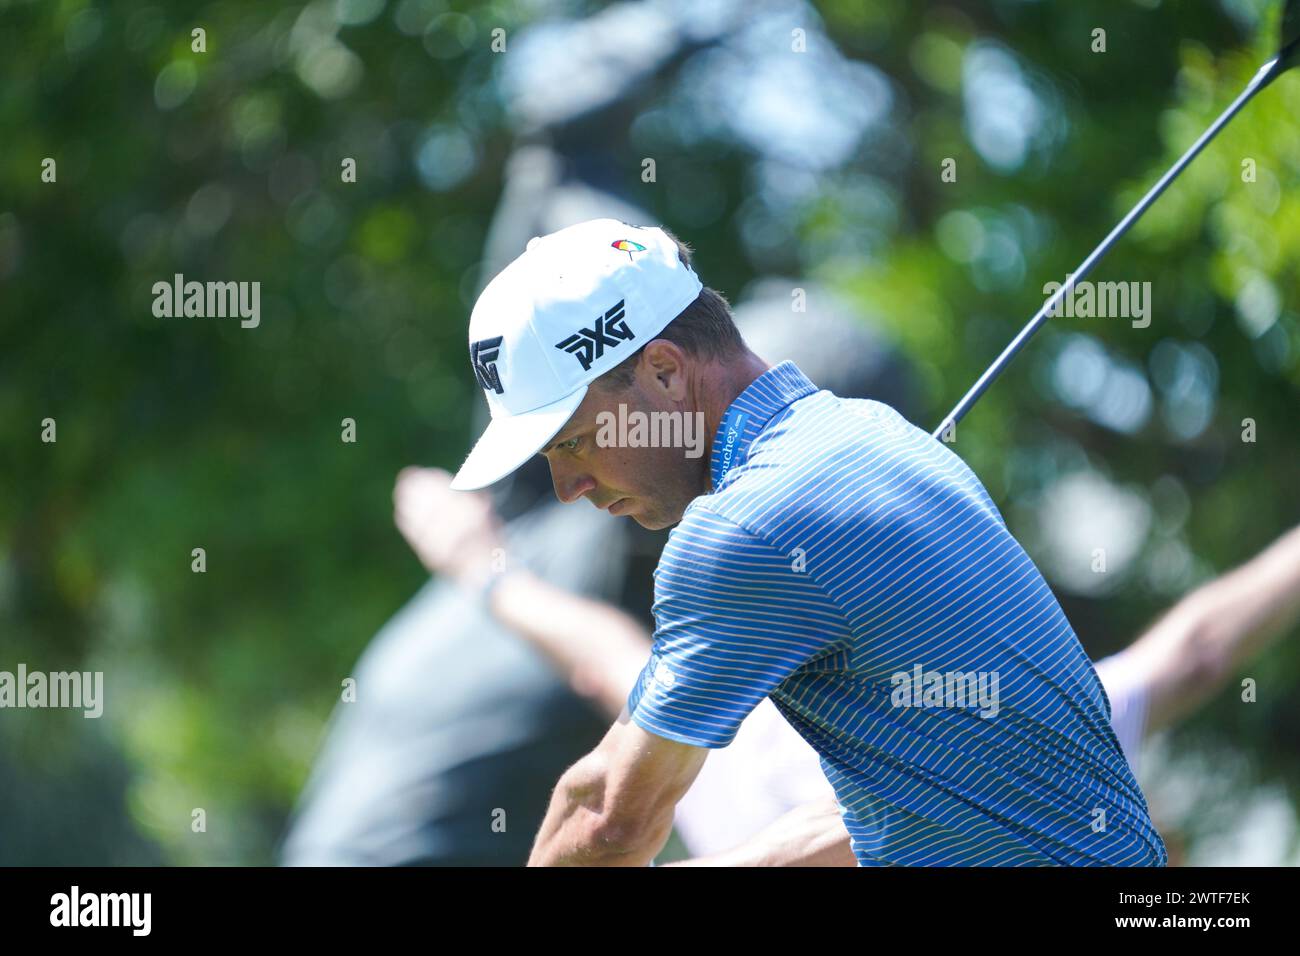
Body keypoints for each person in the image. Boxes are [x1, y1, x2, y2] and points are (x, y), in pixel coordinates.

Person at [445, 217, 1166, 866]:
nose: (569, 486)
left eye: (575, 442)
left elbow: (608, 820)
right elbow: (906, 805)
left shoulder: (741, 528)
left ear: (664, 372)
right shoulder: (879, 434)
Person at [399, 463, 1300, 865]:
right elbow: (1199, 650)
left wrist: (477, 567)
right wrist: (475, 568)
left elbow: (605, 659)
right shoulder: (1025, 721)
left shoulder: (729, 737)